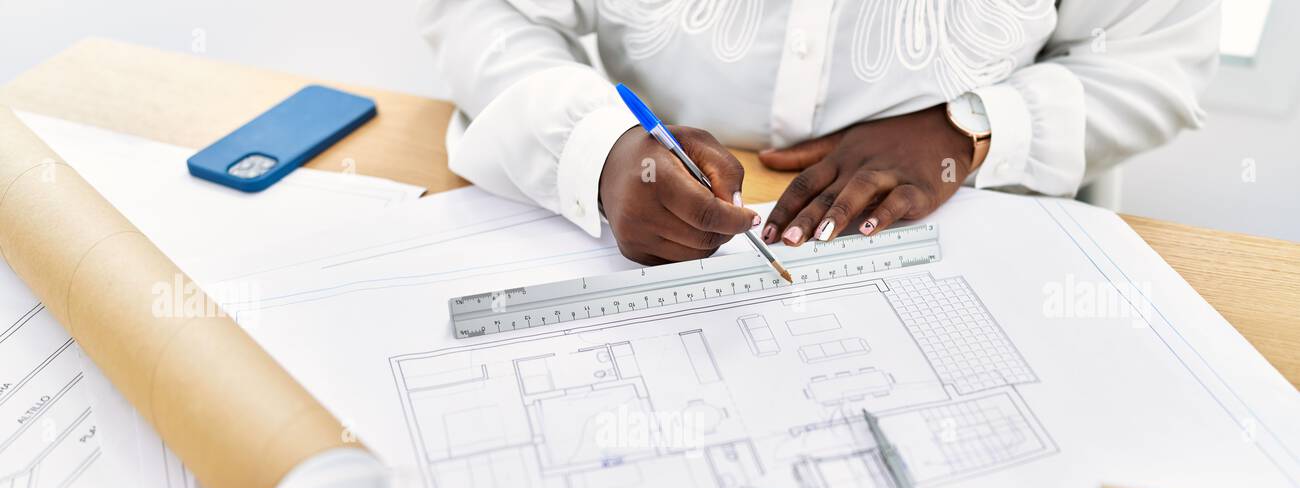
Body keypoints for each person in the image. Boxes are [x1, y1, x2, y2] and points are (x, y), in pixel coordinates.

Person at [419, 1, 1220, 265]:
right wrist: (595, 150)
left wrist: (971, 129)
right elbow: (485, 13)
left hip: (981, 239)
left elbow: (1160, 60)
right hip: (653, 235)